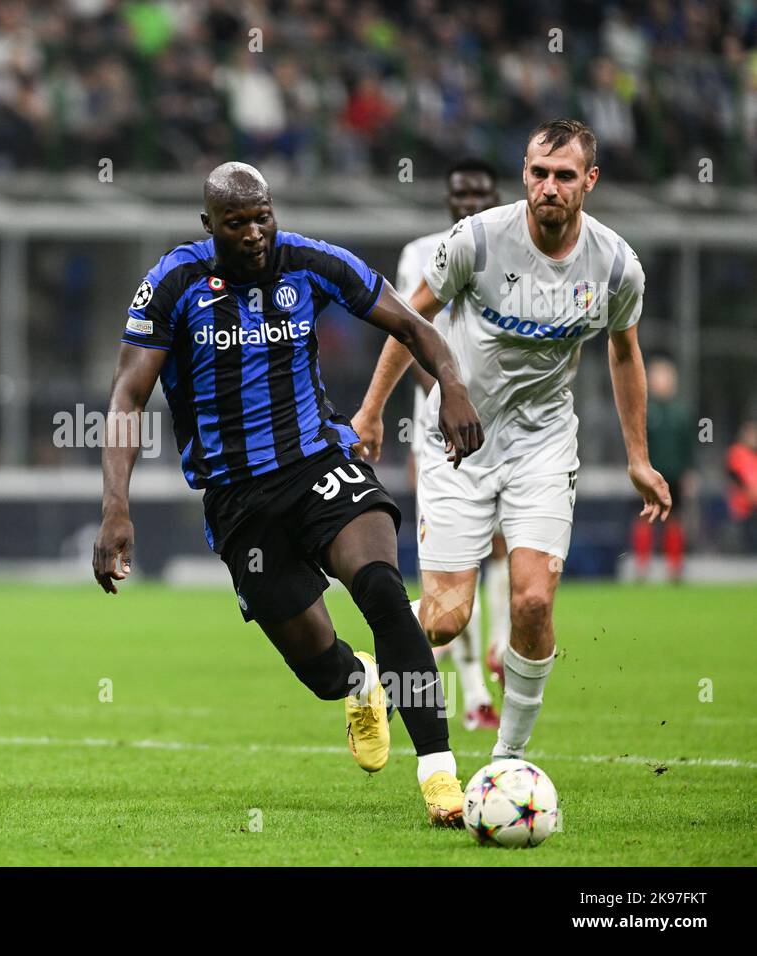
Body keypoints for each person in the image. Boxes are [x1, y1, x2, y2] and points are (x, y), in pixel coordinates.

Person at [93, 161, 484, 827]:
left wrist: (450, 383)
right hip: (239, 501)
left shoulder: (310, 262)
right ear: (208, 226)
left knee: (384, 591)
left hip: (318, 465)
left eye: (261, 217)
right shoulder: (174, 283)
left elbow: (413, 324)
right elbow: (128, 395)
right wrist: (116, 506)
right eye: (236, 223)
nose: (253, 233)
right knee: (317, 666)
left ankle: (440, 774)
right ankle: (358, 684)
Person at [352, 119, 671, 763]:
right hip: (459, 443)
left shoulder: (615, 265)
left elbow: (625, 352)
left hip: (544, 445)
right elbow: (409, 320)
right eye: (539, 174)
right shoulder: (477, 239)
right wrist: (370, 412)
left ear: (590, 181)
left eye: (564, 176)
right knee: (446, 618)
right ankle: (369, 675)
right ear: (525, 175)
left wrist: (638, 457)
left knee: (530, 598)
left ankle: (509, 759)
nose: (549, 187)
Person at [394, 157, 506, 726]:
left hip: (508, 435)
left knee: (501, 555)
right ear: (448, 200)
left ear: (495, 195)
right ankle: (473, 694)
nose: (470, 203)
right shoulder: (421, 254)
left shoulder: (514, 249)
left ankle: (500, 650)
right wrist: (451, 396)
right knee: (450, 572)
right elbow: (411, 334)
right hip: (439, 436)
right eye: (460, 194)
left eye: (480, 193)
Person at [633, 355, 694, 580]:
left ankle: (675, 568)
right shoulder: (645, 412)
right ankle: (642, 567)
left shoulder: (681, 413)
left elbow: (690, 446)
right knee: (645, 518)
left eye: (666, 377)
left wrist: (689, 473)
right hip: (650, 475)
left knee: (675, 519)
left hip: (675, 476)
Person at [726, 419, 757, 552]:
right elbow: (733, 474)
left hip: (754, 501)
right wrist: (747, 491)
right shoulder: (737, 451)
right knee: (745, 537)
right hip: (742, 503)